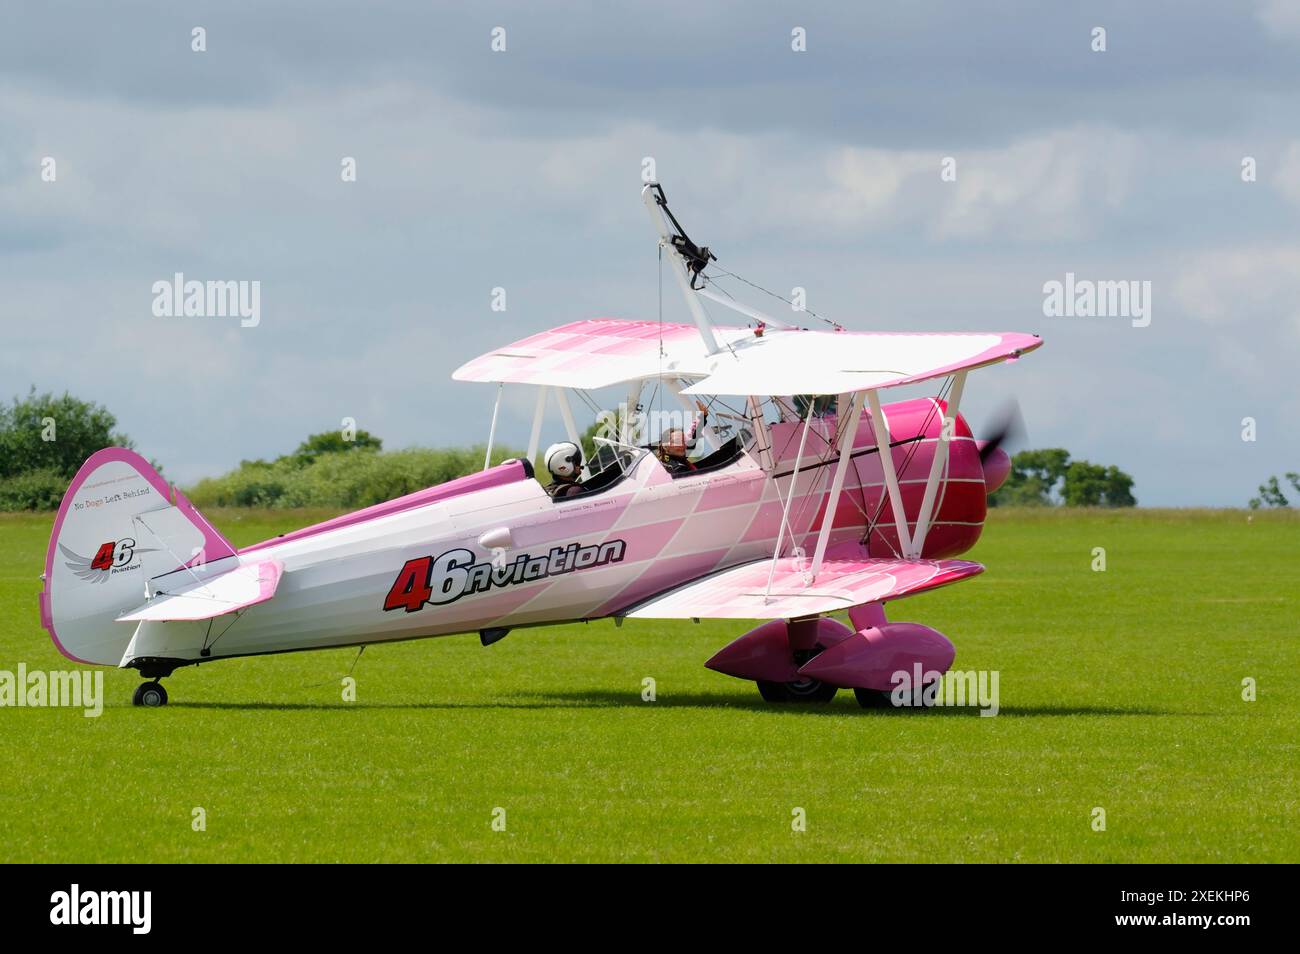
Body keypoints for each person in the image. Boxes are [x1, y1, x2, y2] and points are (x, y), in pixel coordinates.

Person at [657, 400, 709, 474]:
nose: (683, 445)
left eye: (684, 442)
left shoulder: (680, 455)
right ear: (666, 446)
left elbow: (693, 435)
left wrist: (703, 415)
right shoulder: (669, 467)